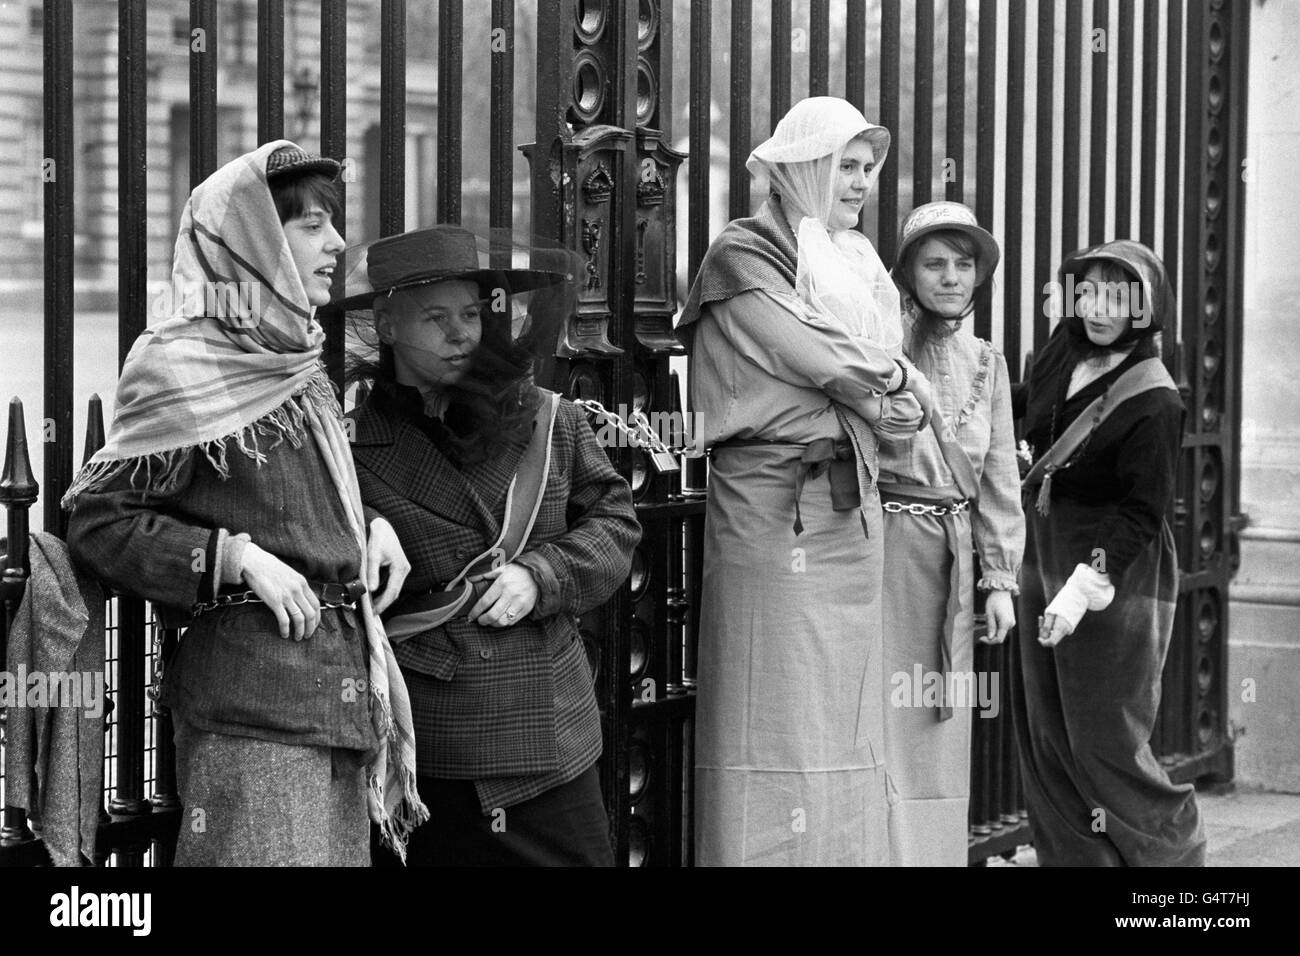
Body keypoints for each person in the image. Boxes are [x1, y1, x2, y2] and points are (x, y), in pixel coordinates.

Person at [64, 141, 426, 866]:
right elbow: (98, 522)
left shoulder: (296, 356)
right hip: (253, 708)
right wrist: (232, 558)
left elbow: (298, 497)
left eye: (333, 222)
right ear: (254, 241)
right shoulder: (179, 361)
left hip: (341, 700)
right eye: (310, 226)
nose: (336, 241)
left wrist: (371, 528)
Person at [679, 96, 935, 866]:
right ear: (802, 168)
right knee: (773, 708)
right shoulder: (744, 254)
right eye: (846, 166)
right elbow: (822, 354)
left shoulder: (848, 260)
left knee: (844, 717)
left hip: (848, 513)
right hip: (771, 510)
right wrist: (894, 376)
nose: (860, 184)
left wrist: (872, 393)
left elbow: (875, 406)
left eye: (867, 169)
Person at [340, 225, 640, 866]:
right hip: (436, 743)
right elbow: (313, 537)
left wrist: (543, 576)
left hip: (551, 735)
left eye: (472, 314)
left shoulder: (548, 417)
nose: (461, 335)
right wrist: (366, 520)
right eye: (436, 317)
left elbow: (616, 523)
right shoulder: (349, 444)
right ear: (387, 325)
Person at [1012, 239, 1205, 866]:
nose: (1097, 308)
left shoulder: (1154, 396)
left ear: (1144, 308)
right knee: (1050, 737)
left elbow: (1143, 510)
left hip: (1113, 569)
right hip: (1044, 549)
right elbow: (1024, 419)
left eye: (1117, 297)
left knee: (1106, 742)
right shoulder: (1058, 357)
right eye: (1087, 291)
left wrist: (1083, 588)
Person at [876, 201, 1025, 866]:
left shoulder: (989, 364)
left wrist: (999, 583)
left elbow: (999, 481)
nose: (951, 277)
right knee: (877, 717)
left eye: (964, 264)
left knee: (939, 725)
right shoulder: (875, 348)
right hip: (880, 553)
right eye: (934, 263)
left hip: (954, 562)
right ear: (906, 271)